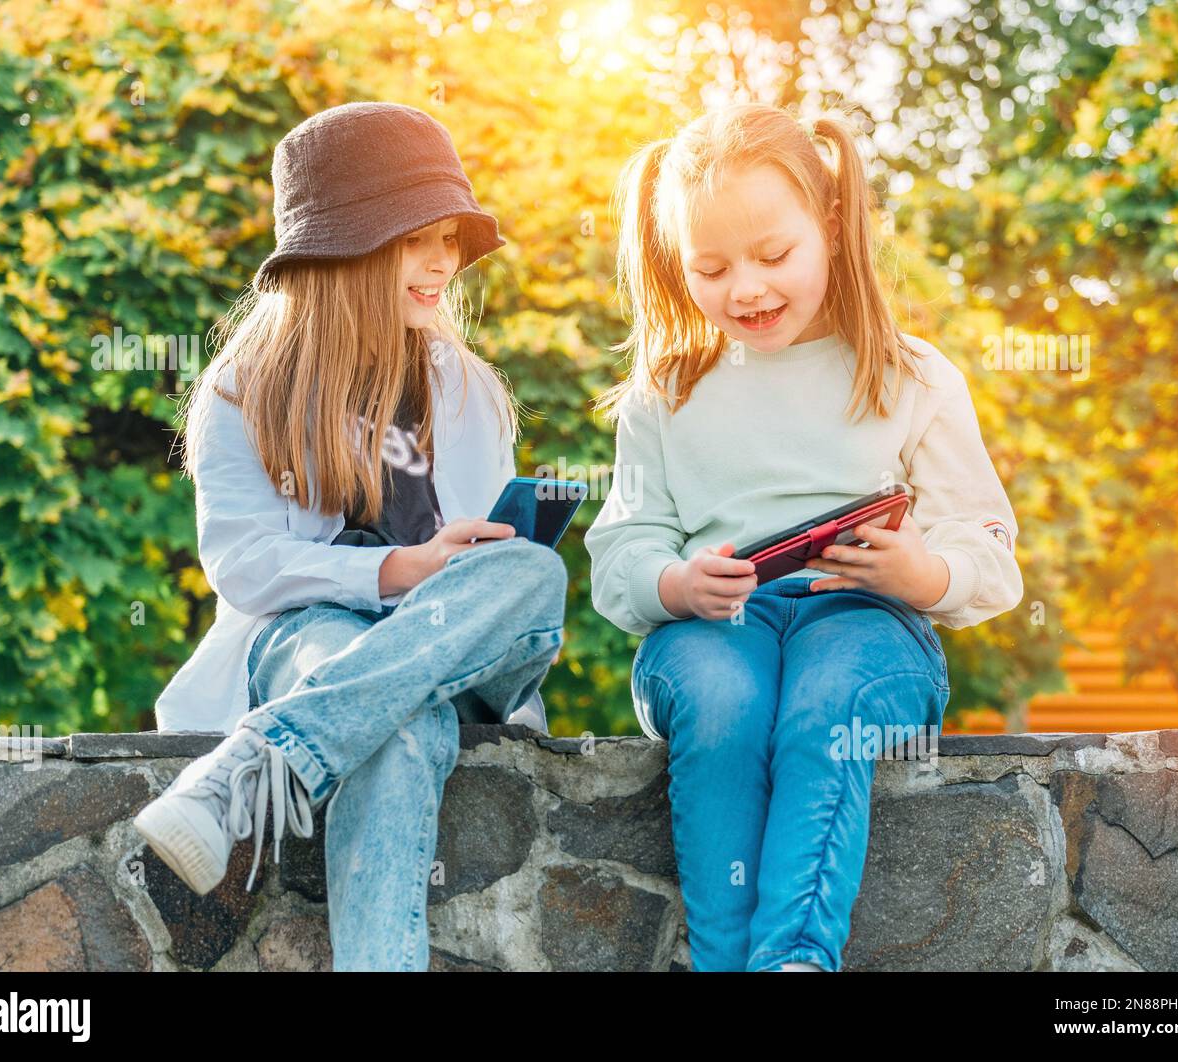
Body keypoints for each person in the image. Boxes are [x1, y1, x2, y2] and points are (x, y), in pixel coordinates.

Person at [583, 103, 1024, 972]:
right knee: (723, 702)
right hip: (716, 630)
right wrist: (676, 585)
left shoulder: (910, 373)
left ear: (828, 224)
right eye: (711, 268)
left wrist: (920, 570)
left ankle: (792, 960)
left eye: (773, 256)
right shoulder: (664, 394)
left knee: (828, 705)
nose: (745, 289)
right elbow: (624, 548)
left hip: (867, 622)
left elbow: (988, 552)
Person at [134, 102, 566, 971]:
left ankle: (248, 771)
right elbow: (244, 566)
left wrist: (460, 563)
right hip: (312, 640)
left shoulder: (465, 384)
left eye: (450, 238)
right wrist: (399, 568)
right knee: (398, 727)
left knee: (532, 572)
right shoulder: (243, 389)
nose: (444, 262)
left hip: (457, 647)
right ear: (341, 251)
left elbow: (487, 572)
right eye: (416, 239)